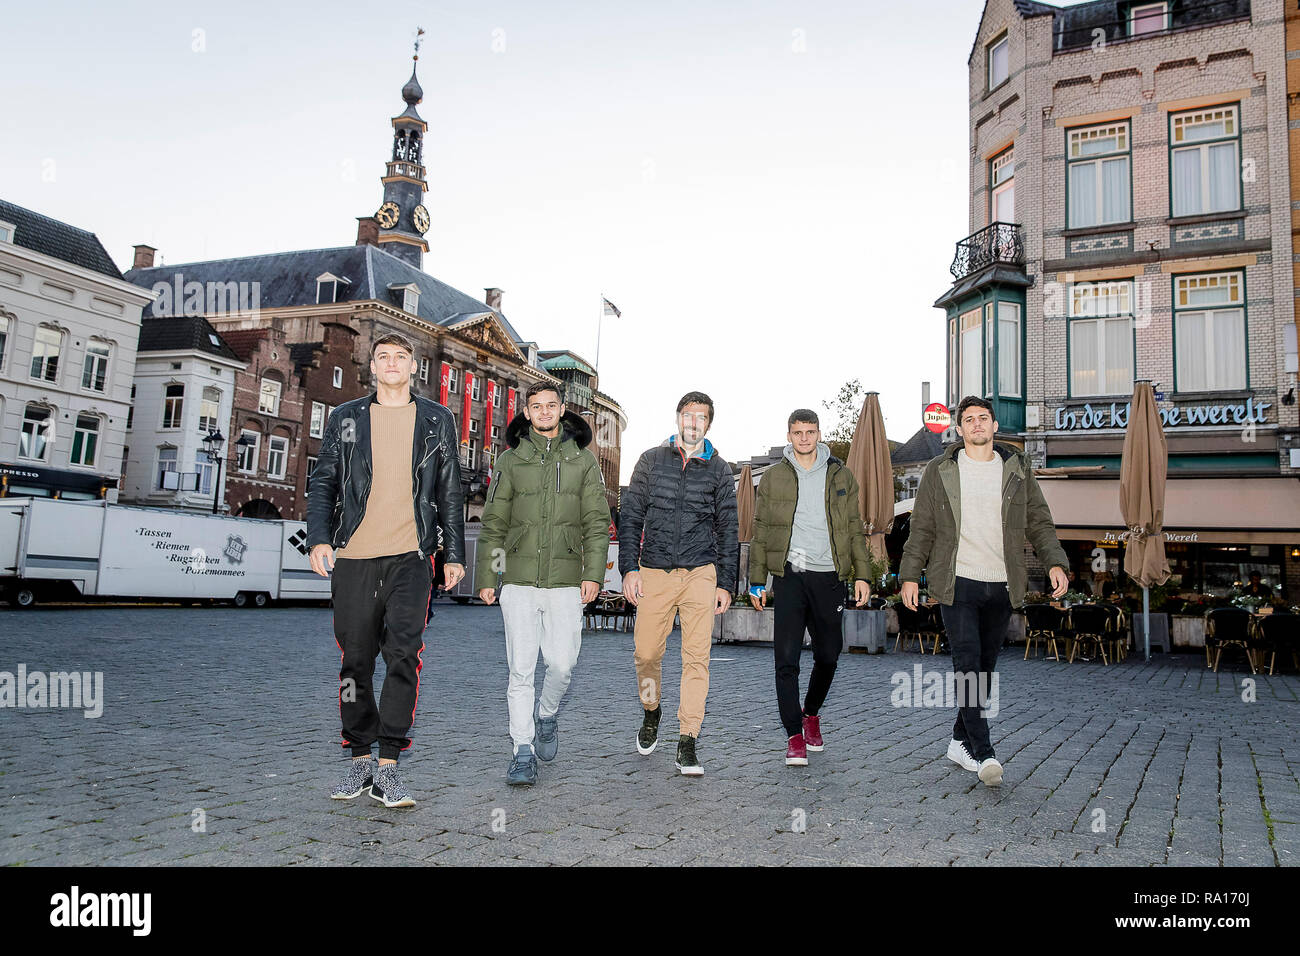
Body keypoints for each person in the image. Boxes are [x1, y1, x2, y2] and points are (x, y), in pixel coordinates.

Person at [307, 331, 465, 808]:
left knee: (403, 655)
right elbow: (324, 482)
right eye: (383, 357)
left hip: (412, 557)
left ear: (414, 366)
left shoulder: (437, 419)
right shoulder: (347, 417)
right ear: (371, 367)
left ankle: (389, 763)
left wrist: (453, 553)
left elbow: (449, 491)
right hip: (354, 555)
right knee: (354, 659)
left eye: (401, 356)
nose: (392, 363)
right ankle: (358, 757)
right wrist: (318, 538)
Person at [899, 396, 1069, 789]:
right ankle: (984, 751)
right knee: (967, 663)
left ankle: (959, 740)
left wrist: (1056, 561)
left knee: (985, 670)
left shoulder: (1017, 469)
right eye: (969, 419)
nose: (976, 424)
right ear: (958, 429)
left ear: (994, 426)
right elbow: (921, 527)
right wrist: (910, 575)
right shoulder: (940, 470)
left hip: (1002, 583)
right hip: (956, 582)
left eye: (983, 418)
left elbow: (1039, 521)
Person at [476, 382, 611, 786]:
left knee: (563, 664)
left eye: (551, 405)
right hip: (517, 580)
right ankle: (521, 750)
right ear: (527, 412)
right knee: (520, 671)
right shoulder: (510, 461)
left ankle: (548, 712)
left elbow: (596, 523)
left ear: (562, 409)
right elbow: (495, 524)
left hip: (566, 581)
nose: (545, 412)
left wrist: (592, 574)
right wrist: (489, 575)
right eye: (537, 406)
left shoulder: (584, 461)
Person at [619, 391, 738, 776]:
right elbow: (631, 516)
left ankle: (688, 740)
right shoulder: (650, 461)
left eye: (701, 417)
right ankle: (651, 711)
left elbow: (729, 529)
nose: (693, 422)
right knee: (647, 655)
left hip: (700, 573)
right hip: (653, 570)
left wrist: (726, 583)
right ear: (677, 418)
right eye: (688, 415)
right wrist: (628, 569)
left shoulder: (719, 470)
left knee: (696, 659)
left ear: (708, 424)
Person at [748, 409, 871, 766]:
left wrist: (862, 574)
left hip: (829, 574)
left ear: (819, 433)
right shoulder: (773, 478)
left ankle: (811, 713)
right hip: (789, 575)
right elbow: (761, 531)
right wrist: (757, 581)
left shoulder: (841, 474)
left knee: (829, 654)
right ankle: (794, 736)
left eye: (810, 431)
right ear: (789, 435)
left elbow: (853, 527)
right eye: (798, 432)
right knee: (785, 659)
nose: (804, 438)